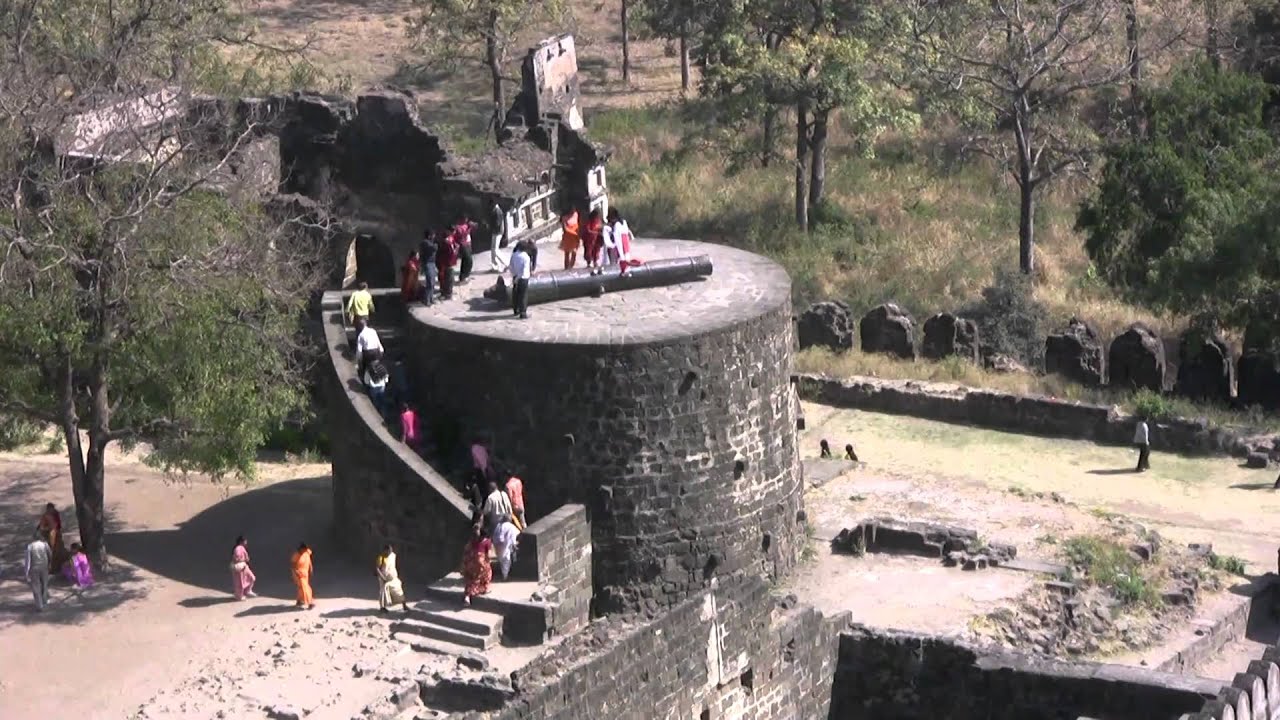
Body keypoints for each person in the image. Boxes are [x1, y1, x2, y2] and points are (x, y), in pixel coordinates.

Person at [460, 526, 492, 607]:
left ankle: (467, 596)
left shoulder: (473, 541)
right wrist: (488, 561)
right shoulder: (487, 542)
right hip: (480, 563)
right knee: (486, 574)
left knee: (471, 579)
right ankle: (483, 589)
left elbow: (466, 550)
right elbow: (488, 554)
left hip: (471, 562)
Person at [376, 544, 408, 613]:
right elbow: (377, 569)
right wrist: (383, 578)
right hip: (384, 579)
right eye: (388, 551)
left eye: (390, 551)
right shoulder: (381, 558)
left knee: (399, 591)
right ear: (385, 551)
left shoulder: (393, 556)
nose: (389, 552)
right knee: (383, 593)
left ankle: (404, 605)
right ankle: (382, 608)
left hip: (393, 578)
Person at [25, 530, 51, 612]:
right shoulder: (45, 545)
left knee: (36, 586)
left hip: (34, 568)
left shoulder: (30, 546)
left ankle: (39, 605)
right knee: (44, 584)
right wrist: (49, 564)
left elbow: (28, 560)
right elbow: (50, 554)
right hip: (44, 567)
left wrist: (27, 572)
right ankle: (44, 601)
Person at [37, 503, 68, 572]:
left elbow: (58, 524)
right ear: (48, 509)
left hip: (57, 535)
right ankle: (52, 568)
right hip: (50, 536)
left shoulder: (55, 514)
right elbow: (42, 528)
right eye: (51, 509)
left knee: (59, 550)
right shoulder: (45, 516)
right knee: (52, 551)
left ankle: (60, 566)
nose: (53, 510)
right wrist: (49, 529)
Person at [607, 208, 635, 274]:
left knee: (615, 264)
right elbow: (628, 234)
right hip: (625, 245)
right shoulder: (624, 222)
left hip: (618, 246)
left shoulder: (616, 225)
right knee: (626, 262)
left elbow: (617, 239)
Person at [510, 240, 531, 320]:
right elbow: (524, 270)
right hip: (523, 278)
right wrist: (518, 277)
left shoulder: (514, 255)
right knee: (523, 295)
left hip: (515, 277)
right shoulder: (525, 257)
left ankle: (516, 310)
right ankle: (523, 313)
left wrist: (514, 276)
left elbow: (511, 266)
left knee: (515, 294)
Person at [452, 215, 477, 283]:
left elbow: (474, 229)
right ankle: (463, 277)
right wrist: (469, 228)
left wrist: (473, 226)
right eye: (465, 219)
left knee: (468, 261)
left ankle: (465, 276)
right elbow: (462, 235)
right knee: (467, 260)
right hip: (463, 245)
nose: (466, 220)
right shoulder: (458, 227)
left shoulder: (466, 225)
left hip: (468, 244)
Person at [231, 535, 256, 601]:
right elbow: (236, 558)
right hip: (240, 567)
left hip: (244, 566)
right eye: (245, 541)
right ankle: (239, 596)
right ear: (242, 541)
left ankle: (247, 591)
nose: (246, 542)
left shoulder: (241, 548)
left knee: (251, 578)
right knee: (240, 582)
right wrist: (243, 559)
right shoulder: (238, 548)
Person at [435, 229, 458, 300]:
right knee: (449, 279)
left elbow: (445, 253)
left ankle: (446, 293)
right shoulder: (450, 241)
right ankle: (448, 294)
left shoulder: (445, 243)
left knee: (445, 279)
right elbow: (454, 250)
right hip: (449, 263)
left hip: (445, 263)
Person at [292, 542, 314, 610]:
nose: (304, 551)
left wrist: (311, 567)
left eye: (305, 550)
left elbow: (309, 559)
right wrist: (296, 572)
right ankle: (310, 603)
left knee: (301, 587)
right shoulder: (296, 555)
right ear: (300, 549)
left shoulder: (307, 551)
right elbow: (293, 565)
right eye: (303, 550)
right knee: (305, 588)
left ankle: (299, 601)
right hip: (298, 574)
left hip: (305, 573)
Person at [418, 229, 438, 306]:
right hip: (428, 263)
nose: (434, 236)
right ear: (429, 235)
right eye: (433, 235)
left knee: (432, 282)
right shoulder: (425, 242)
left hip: (432, 263)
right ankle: (427, 300)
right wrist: (436, 245)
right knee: (429, 282)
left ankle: (431, 298)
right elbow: (433, 248)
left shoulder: (430, 242)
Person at [582, 208, 604, 275]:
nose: (598, 216)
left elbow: (601, 228)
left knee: (596, 252)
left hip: (597, 240)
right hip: (589, 240)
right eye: (597, 215)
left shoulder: (599, 221)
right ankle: (589, 265)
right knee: (589, 252)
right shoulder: (589, 221)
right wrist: (596, 233)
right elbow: (587, 230)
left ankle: (596, 264)